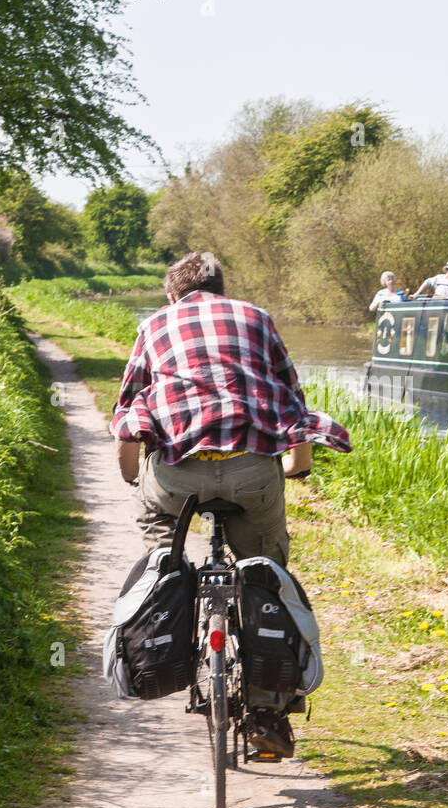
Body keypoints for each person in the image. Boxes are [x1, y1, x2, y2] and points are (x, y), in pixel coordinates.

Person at [111, 251, 351, 756]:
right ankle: (267, 712)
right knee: (263, 571)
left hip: (177, 475)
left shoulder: (155, 323)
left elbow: (130, 408)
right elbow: (291, 398)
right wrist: (296, 466)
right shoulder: (257, 317)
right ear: (221, 289)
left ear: (171, 294)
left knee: (163, 561)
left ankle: (164, 619)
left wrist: (135, 476)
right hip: (250, 470)